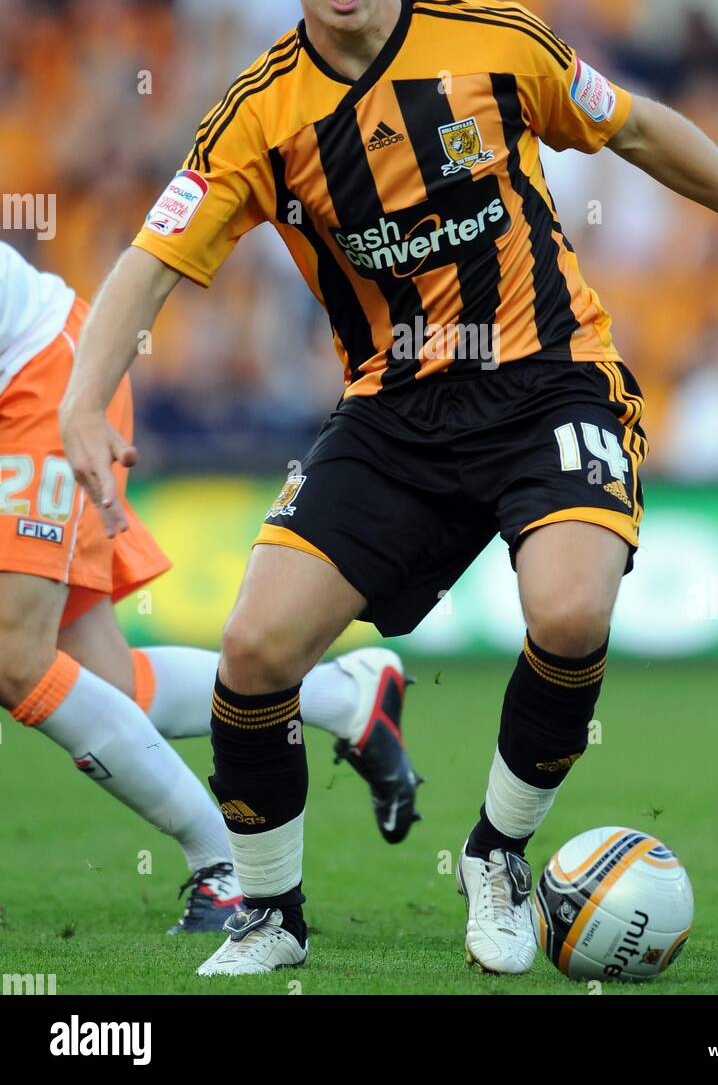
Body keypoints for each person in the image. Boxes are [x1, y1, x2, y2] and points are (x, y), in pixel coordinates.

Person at [59, 0, 718, 977]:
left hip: (549, 379)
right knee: (253, 652)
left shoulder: (495, 45)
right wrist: (84, 402)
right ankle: (272, 914)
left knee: (567, 612)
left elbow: (639, 128)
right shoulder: (257, 119)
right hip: (394, 415)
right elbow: (147, 263)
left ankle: (496, 855)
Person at [0, 240, 421, 935]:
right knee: (96, 681)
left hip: (37, 373)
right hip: (35, 354)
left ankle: (223, 864)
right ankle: (348, 695)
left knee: (16, 658)